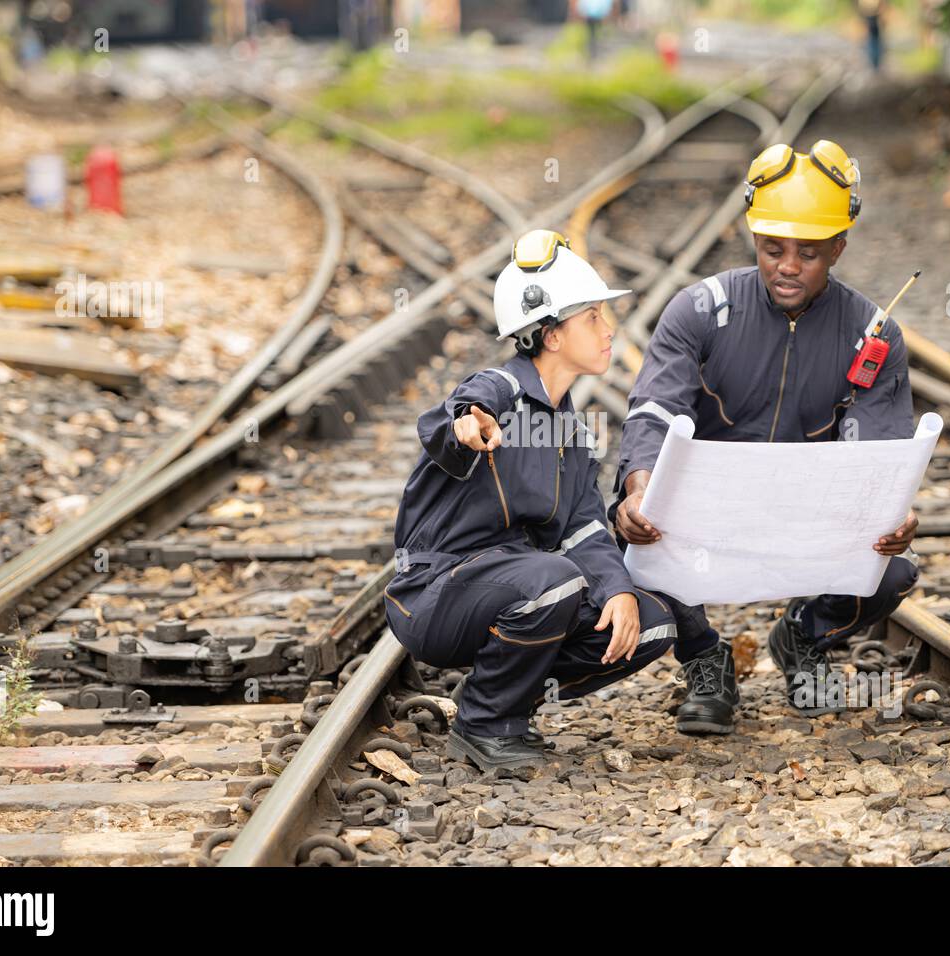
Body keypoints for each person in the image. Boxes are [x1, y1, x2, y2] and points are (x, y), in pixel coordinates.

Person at [614, 140, 920, 729]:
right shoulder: (698, 311)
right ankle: (706, 659)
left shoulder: (872, 333)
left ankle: (802, 638)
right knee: (633, 542)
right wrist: (639, 485)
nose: (786, 265)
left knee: (894, 569)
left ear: (838, 247)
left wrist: (891, 514)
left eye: (808, 252)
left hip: (807, 512)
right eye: (772, 248)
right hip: (706, 507)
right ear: (754, 239)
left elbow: (879, 452)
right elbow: (653, 409)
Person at [386, 230, 677, 771]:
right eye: (592, 318)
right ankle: (482, 721)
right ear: (550, 335)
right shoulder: (498, 392)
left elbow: (586, 528)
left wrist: (618, 590)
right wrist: (469, 421)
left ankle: (508, 702)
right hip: (433, 592)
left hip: (514, 589)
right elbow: (466, 405)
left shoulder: (571, 431)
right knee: (553, 577)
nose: (608, 329)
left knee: (650, 622)